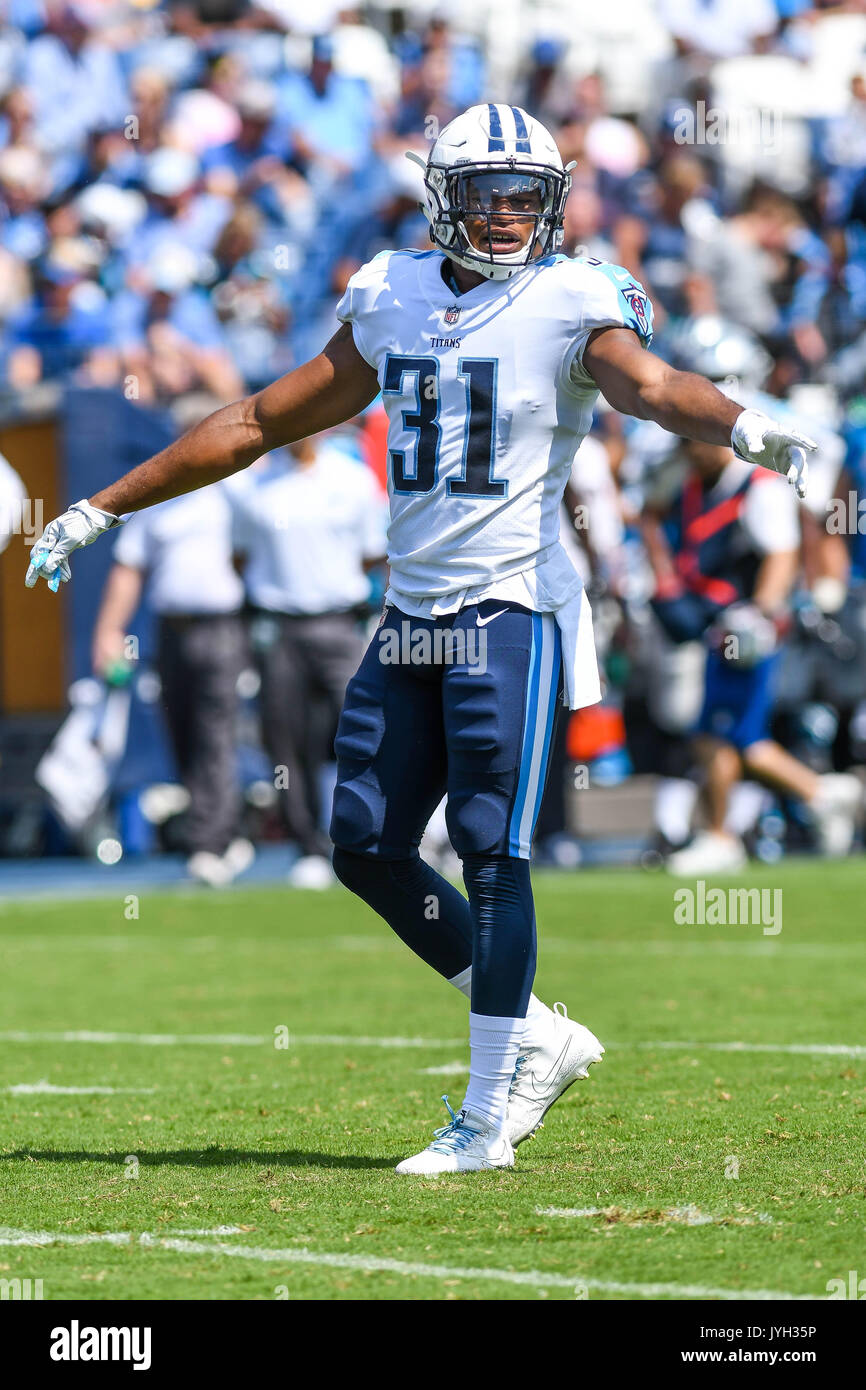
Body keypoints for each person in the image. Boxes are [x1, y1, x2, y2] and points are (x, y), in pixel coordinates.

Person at [27, 104, 817, 1177]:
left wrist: (745, 425)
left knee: (492, 848)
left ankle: (487, 1111)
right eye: (489, 194)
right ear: (442, 196)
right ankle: (535, 1032)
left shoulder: (571, 296)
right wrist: (104, 505)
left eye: (527, 196)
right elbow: (260, 419)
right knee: (360, 841)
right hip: (410, 614)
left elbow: (652, 386)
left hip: (510, 606)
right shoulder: (389, 293)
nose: (508, 216)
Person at [644, 437, 862, 874]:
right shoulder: (698, 481)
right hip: (719, 625)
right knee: (728, 736)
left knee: (721, 734)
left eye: (694, 444)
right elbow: (651, 510)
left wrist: (757, 615)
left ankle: (723, 836)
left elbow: (782, 556)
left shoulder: (759, 486)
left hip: (746, 631)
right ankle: (820, 795)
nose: (689, 454)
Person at [226, 436, 386, 888]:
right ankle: (309, 844)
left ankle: (375, 834)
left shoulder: (352, 480)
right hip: (279, 626)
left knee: (364, 730)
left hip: (340, 622)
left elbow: (373, 553)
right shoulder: (256, 488)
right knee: (285, 737)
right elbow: (239, 556)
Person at [92, 487, 251, 888]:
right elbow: (129, 567)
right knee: (180, 732)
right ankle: (222, 833)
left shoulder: (233, 496)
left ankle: (208, 844)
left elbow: (251, 555)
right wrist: (109, 630)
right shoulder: (159, 502)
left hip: (223, 626)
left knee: (214, 732)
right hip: (171, 631)